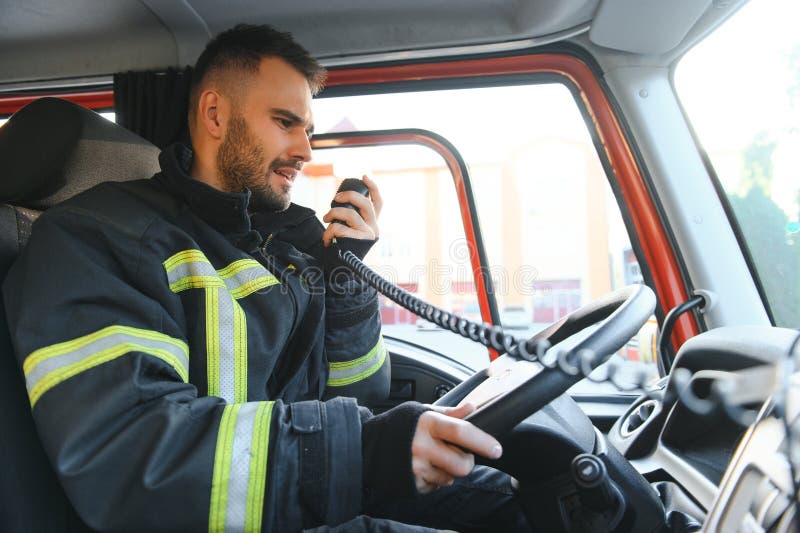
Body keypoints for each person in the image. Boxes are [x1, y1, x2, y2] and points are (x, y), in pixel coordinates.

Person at [3, 24, 528, 531]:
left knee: (515, 496)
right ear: (214, 114)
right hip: (211, 517)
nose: (305, 150)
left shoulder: (281, 245)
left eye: (308, 131)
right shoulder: (99, 238)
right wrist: (359, 453)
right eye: (285, 122)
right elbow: (130, 454)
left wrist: (346, 278)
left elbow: (361, 391)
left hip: (292, 501)